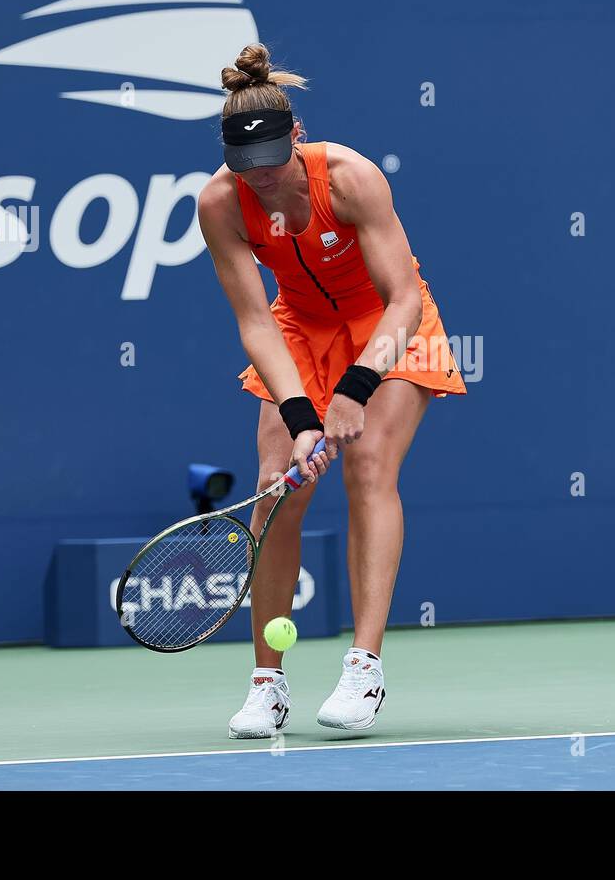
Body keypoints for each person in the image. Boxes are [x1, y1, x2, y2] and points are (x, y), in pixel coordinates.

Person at [196, 44, 466, 737]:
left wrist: (356, 387)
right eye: (245, 171)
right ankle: (267, 683)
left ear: (300, 138)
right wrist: (300, 414)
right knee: (276, 483)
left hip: (388, 322)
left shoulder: (350, 178)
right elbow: (256, 321)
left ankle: (364, 669)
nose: (261, 183)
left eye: (272, 166)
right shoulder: (220, 204)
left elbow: (402, 296)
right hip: (298, 331)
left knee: (371, 467)